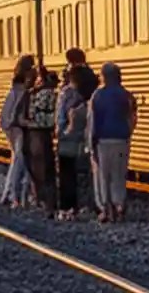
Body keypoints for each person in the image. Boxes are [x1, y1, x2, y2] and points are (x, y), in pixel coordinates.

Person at [88, 62, 137, 222]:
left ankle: (105, 208)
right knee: (119, 174)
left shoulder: (97, 95)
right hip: (121, 139)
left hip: (103, 140)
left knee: (103, 175)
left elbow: (92, 122)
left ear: (104, 77)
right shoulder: (127, 95)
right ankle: (119, 205)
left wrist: (91, 143)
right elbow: (132, 117)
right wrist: (128, 133)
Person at [55, 65, 91, 219]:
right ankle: (85, 206)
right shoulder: (91, 93)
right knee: (84, 175)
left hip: (68, 139)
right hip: (85, 139)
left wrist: (60, 131)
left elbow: (60, 116)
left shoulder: (66, 94)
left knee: (67, 174)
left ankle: (67, 208)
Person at [0, 55, 35, 207]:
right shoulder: (24, 91)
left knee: (16, 160)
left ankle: (9, 194)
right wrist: (29, 123)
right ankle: (15, 196)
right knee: (19, 160)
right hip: (16, 128)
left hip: (9, 125)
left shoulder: (15, 87)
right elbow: (18, 114)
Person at [23, 66, 58, 216]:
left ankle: (46, 201)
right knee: (44, 168)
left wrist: (25, 122)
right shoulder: (45, 93)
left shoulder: (43, 94)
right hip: (42, 133)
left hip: (38, 132)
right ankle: (45, 200)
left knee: (40, 168)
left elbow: (37, 115)